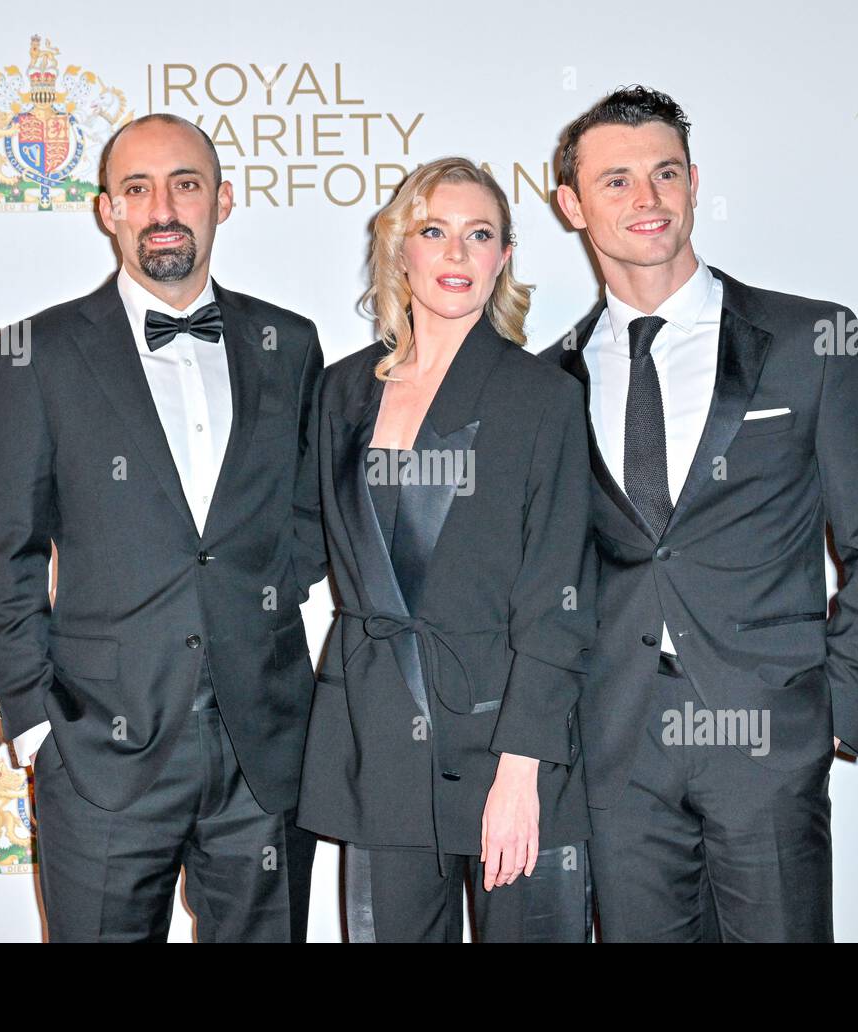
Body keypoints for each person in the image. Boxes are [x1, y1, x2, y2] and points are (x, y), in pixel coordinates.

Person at [541, 86, 858, 942]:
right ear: (571, 205)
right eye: (618, 181)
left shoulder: (811, 338)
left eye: (665, 173)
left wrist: (831, 715)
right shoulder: (549, 379)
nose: (648, 200)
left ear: (695, 182)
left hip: (768, 739)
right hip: (616, 744)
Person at [0, 113, 325, 942]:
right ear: (108, 210)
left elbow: (310, 514)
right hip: (98, 757)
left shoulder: (290, 343)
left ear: (223, 202)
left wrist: (258, 596)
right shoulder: (38, 352)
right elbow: (4, 551)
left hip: (264, 754)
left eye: (186, 184)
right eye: (138, 188)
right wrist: (34, 729)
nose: (163, 206)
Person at [297, 157, 596, 942]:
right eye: (435, 232)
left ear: (504, 257)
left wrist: (522, 771)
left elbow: (558, 594)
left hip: (509, 739)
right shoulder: (342, 391)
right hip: (381, 737)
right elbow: (297, 542)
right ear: (401, 250)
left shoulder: (544, 396)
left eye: (480, 235)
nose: (457, 254)